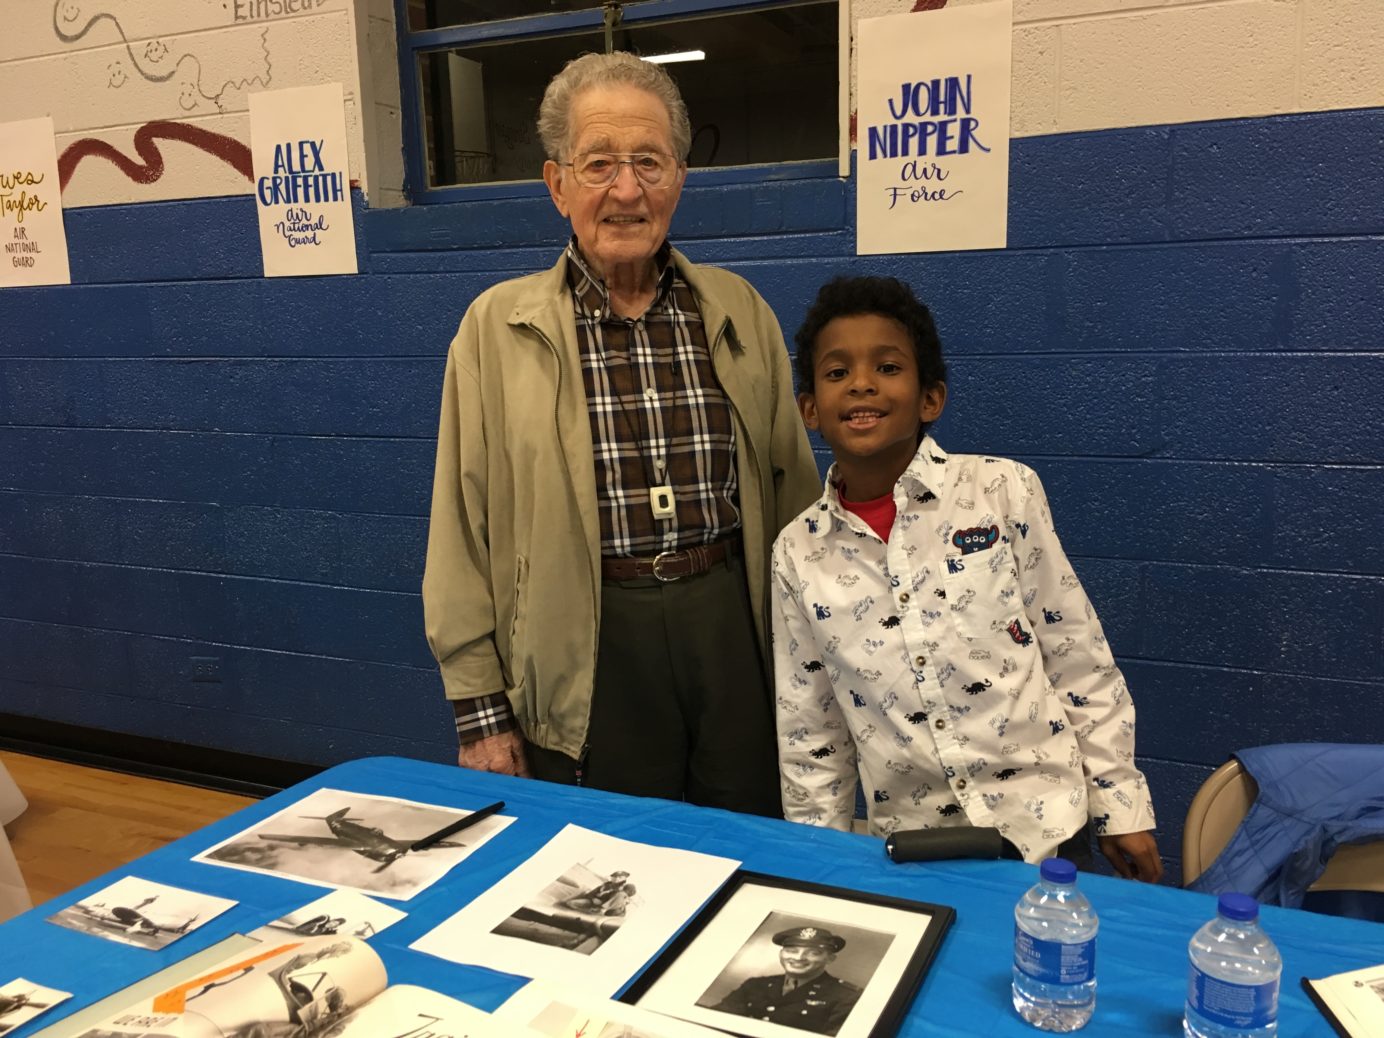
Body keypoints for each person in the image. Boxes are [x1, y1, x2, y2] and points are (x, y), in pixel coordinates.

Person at [423, 52, 820, 815]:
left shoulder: (739, 310)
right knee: (608, 871)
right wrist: (479, 712)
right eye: (600, 163)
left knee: (748, 851)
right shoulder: (495, 330)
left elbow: (797, 502)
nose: (626, 189)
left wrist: (815, 672)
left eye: (650, 161)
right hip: (588, 641)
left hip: (730, 625)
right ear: (557, 184)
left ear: (680, 178)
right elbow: (459, 530)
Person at [771, 276, 1162, 880]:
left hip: (1049, 834)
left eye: (889, 366)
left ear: (931, 398)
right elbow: (811, 733)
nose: (862, 383)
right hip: (915, 849)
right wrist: (816, 866)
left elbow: (1076, 655)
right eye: (836, 372)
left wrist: (1120, 800)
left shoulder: (1002, 492)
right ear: (809, 410)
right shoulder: (798, 553)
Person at [709, 926, 862, 1036]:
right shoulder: (755, 985)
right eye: (792, 950)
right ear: (781, 954)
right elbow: (715, 1020)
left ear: (830, 959)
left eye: (813, 953)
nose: (798, 958)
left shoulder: (847, 996)